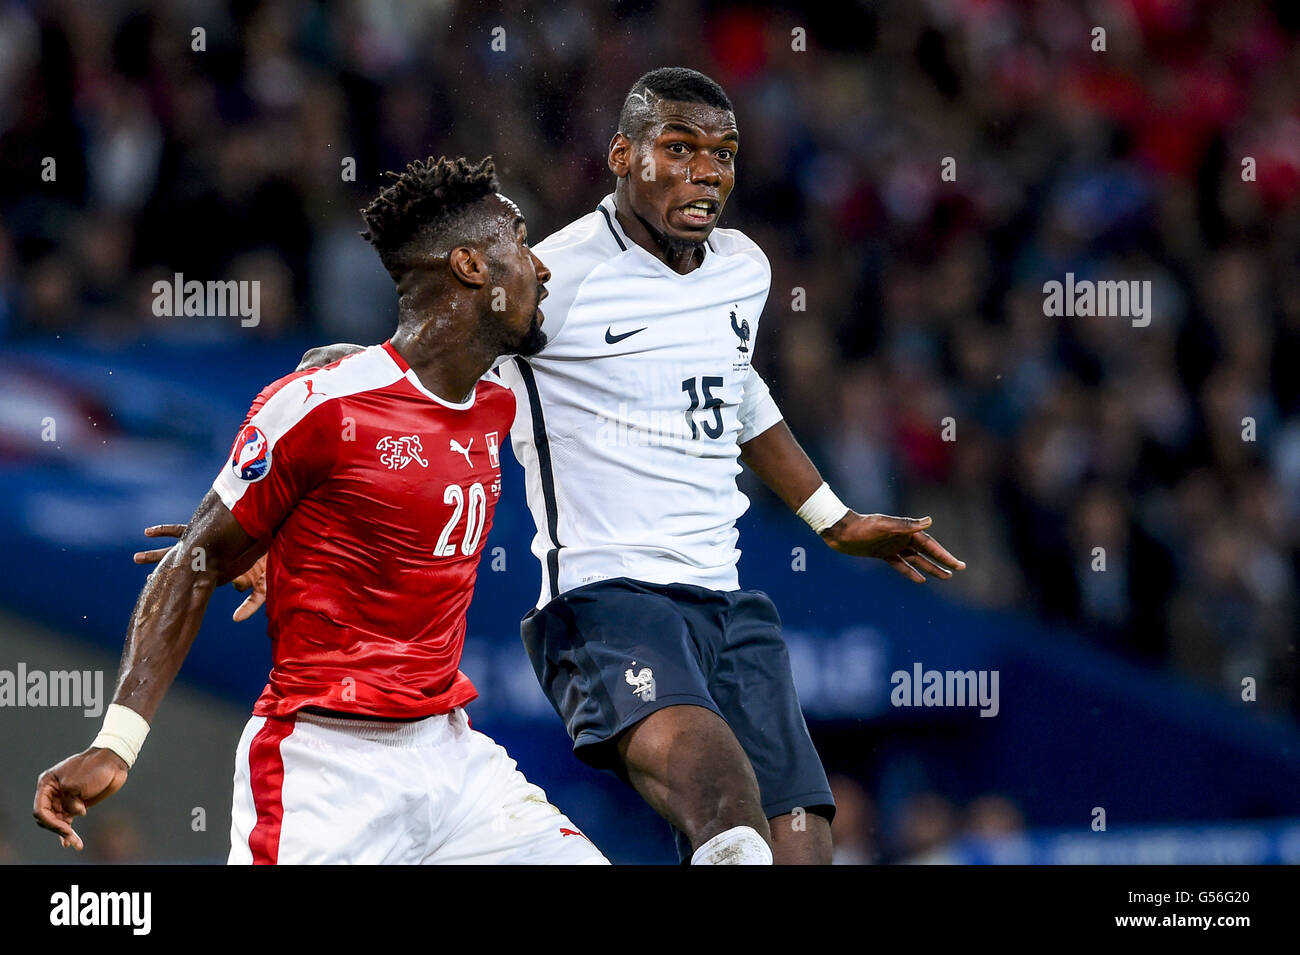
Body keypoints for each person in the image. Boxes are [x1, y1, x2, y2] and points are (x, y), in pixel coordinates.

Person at [171, 67, 965, 866]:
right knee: (729, 817)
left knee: (804, 847)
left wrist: (835, 518)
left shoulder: (743, 268)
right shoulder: (554, 278)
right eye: (679, 149)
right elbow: (396, 366)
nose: (706, 173)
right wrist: (283, 519)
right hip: (609, 603)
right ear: (623, 154)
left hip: (727, 602)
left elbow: (739, 388)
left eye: (722, 155)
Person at [33, 156, 607, 865]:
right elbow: (193, 564)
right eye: (521, 242)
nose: (540, 267)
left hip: (454, 760)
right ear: (468, 265)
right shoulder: (322, 408)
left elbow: (356, 367)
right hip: (325, 771)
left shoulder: (496, 394)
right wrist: (115, 742)